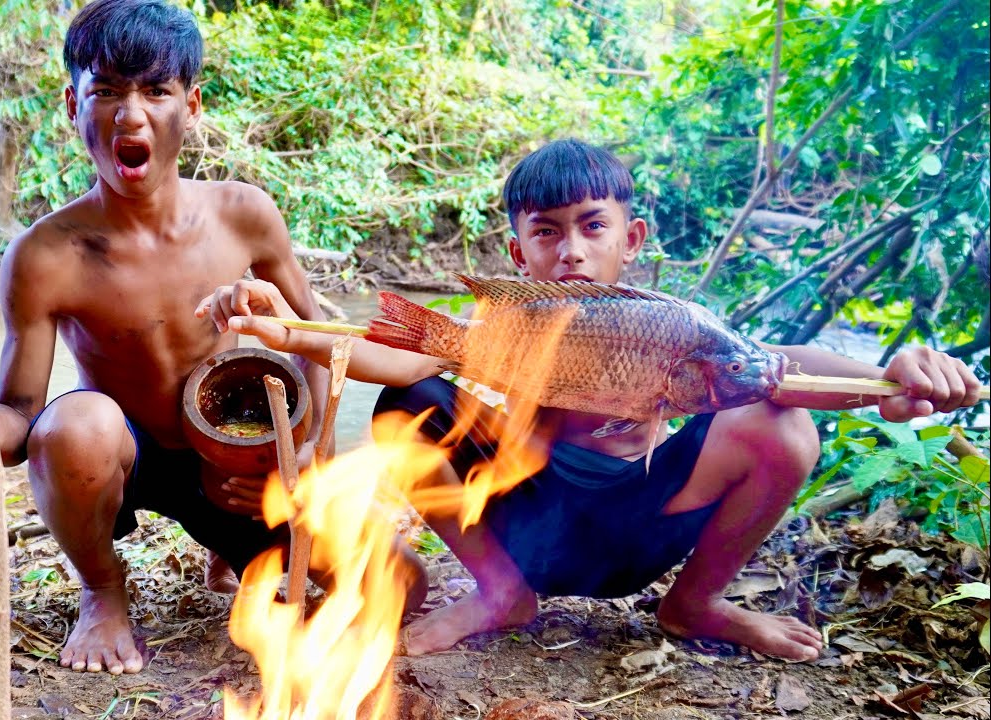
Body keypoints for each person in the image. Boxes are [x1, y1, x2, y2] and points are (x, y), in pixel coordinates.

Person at [197, 139, 984, 662]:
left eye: (591, 226)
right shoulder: (507, 327)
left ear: (629, 238)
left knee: (782, 423)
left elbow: (778, 368)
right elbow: (398, 357)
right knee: (409, 404)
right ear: (518, 252)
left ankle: (697, 603)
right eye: (546, 232)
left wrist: (886, 379)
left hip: (639, 528)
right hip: (530, 529)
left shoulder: (672, 325)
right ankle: (501, 592)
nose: (571, 250)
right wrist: (289, 329)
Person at [0, 0, 428, 676]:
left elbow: (320, 346)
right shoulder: (44, 255)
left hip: (234, 461)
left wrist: (302, 455)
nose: (130, 116)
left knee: (403, 586)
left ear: (192, 105)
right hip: (122, 453)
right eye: (105, 91)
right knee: (76, 425)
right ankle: (103, 589)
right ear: (72, 105)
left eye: (156, 90)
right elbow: (19, 418)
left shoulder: (244, 214)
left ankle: (231, 545)